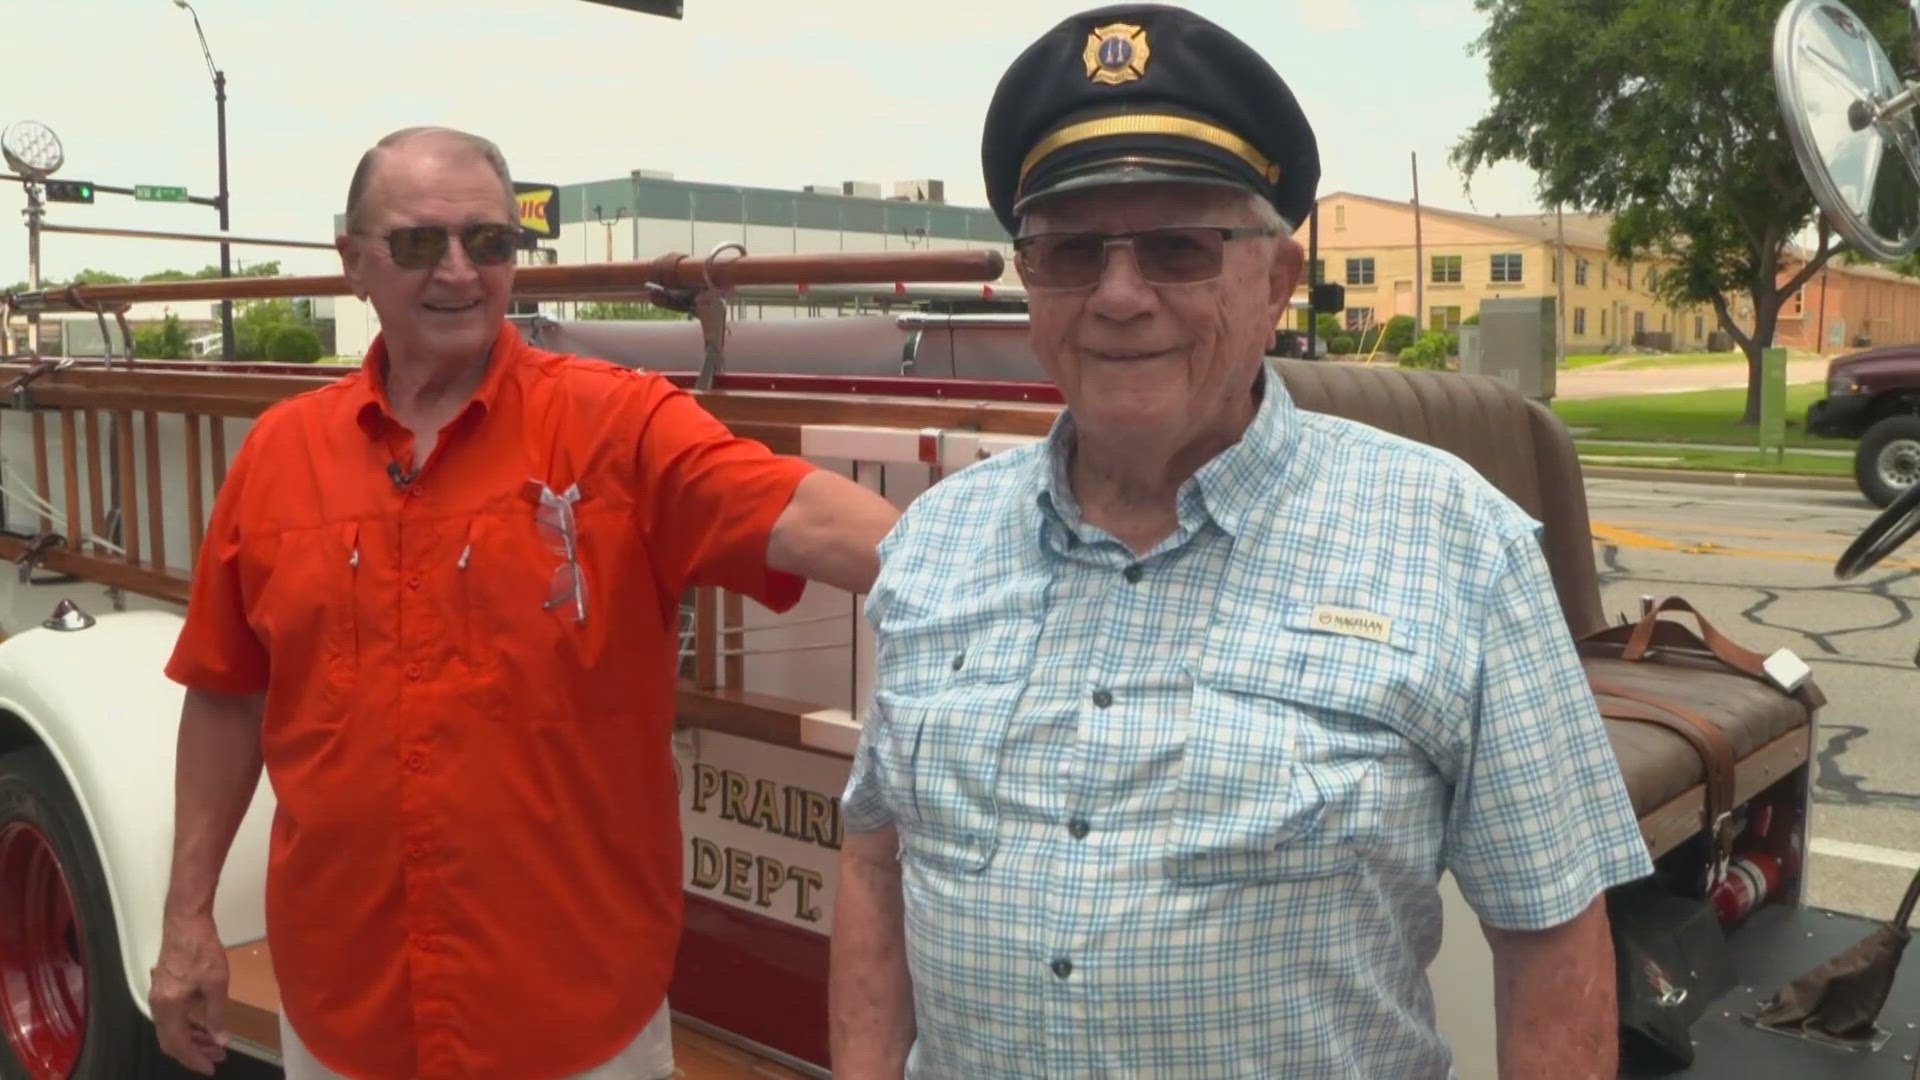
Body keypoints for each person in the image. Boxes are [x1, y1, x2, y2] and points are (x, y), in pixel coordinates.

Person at [829, 6, 1654, 1077]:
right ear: (1029, 282)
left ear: (1276, 281)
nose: (1119, 297)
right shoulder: (934, 545)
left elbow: (1553, 941)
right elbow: (876, 860)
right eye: (1071, 251)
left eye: (1178, 247)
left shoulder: (1457, 544)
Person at [149, 126, 900, 1080]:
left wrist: (994, 562)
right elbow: (228, 695)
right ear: (353, 263)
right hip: (346, 1009)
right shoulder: (278, 456)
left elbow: (801, 514)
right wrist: (188, 917)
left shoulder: (621, 423)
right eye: (419, 242)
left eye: (490, 242)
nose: (459, 272)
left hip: (577, 1017)